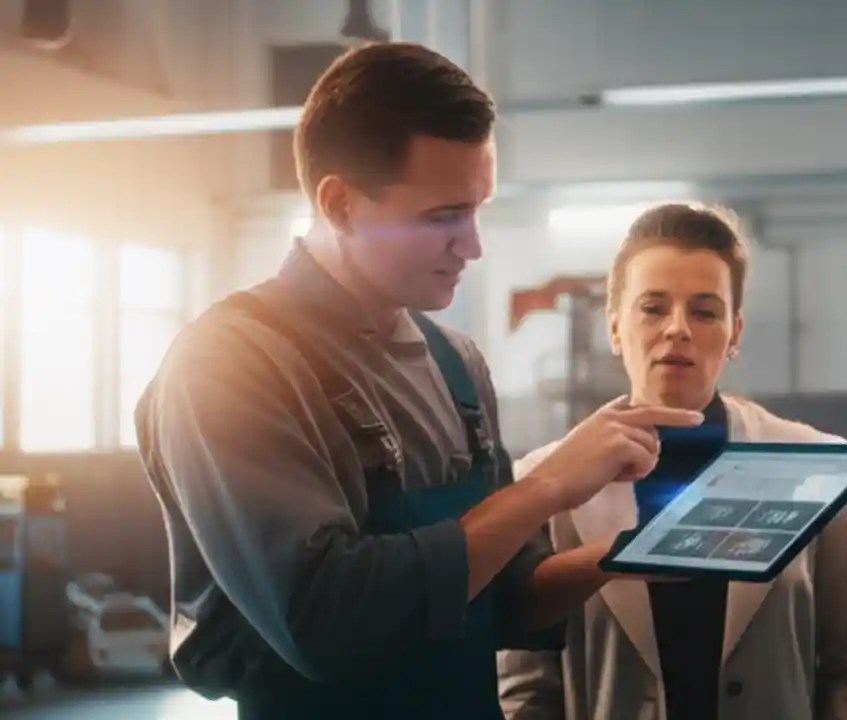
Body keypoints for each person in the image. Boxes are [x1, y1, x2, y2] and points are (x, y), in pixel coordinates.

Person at [134, 43, 702, 720]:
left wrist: (632, 554)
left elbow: (505, 597)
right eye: (442, 217)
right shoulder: (230, 367)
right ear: (341, 204)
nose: (472, 245)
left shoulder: (455, 362)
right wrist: (547, 487)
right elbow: (326, 625)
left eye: (477, 210)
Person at [497, 203, 847, 720]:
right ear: (615, 328)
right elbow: (525, 689)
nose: (677, 329)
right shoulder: (543, 482)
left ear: (735, 333)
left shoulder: (812, 464)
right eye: (653, 308)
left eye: (704, 311)